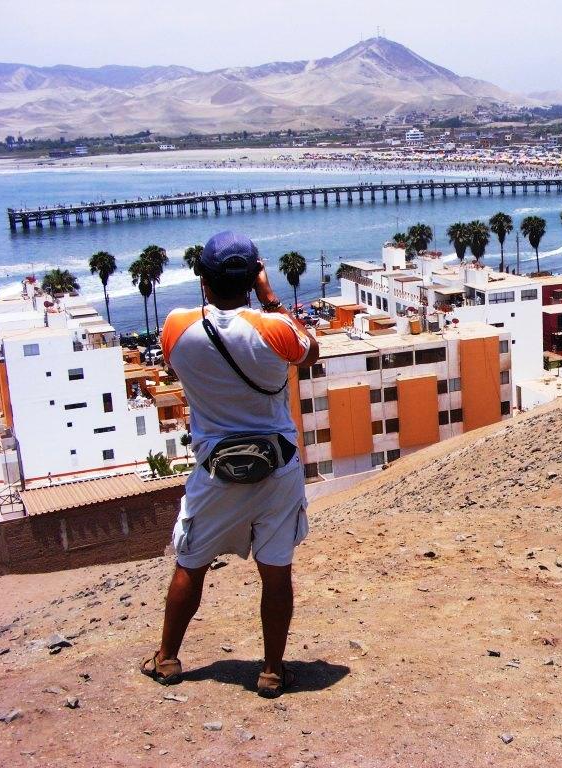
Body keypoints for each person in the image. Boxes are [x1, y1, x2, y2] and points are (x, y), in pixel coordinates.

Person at [140, 231, 319, 698]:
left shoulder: (177, 328)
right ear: (253, 277)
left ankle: (168, 659)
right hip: (276, 468)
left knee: (191, 562)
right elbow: (310, 350)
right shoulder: (273, 330)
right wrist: (271, 296)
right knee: (275, 568)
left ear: (203, 278)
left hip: (214, 471)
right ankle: (273, 671)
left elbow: (184, 363)